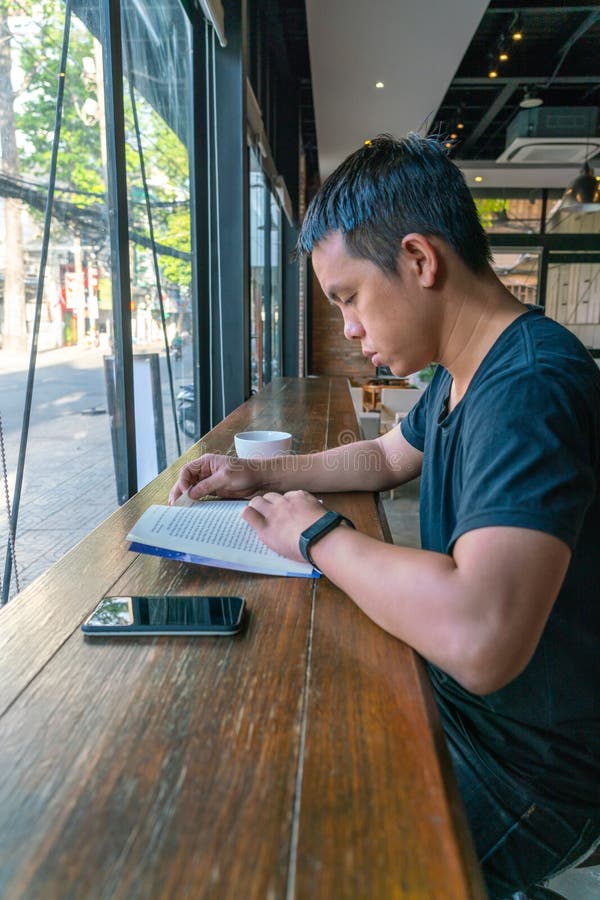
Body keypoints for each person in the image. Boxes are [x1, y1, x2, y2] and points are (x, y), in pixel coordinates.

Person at [169, 134, 600, 899]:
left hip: (531, 770)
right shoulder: (466, 368)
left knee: (301, 869)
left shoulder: (530, 385)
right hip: (470, 716)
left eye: (349, 297)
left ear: (419, 260)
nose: (349, 330)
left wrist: (316, 534)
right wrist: (256, 473)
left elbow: (480, 636)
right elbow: (385, 459)